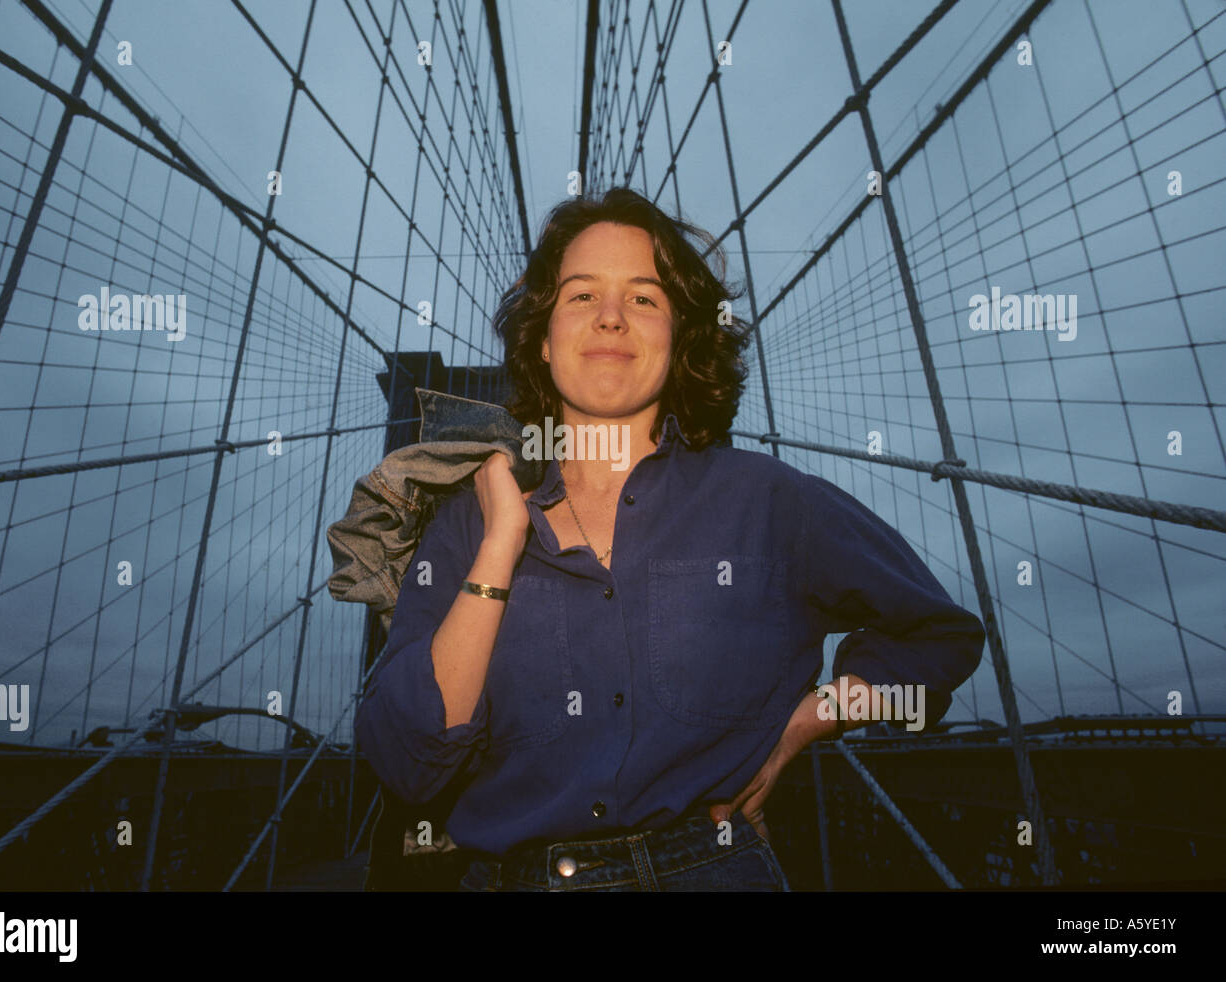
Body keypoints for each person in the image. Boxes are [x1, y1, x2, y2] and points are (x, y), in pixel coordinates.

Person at [355, 186, 985, 891]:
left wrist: (810, 721)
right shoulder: (468, 525)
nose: (613, 318)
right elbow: (405, 762)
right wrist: (501, 541)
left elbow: (940, 637)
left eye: (645, 298)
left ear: (681, 334)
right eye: (582, 295)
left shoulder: (767, 500)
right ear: (542, 336)